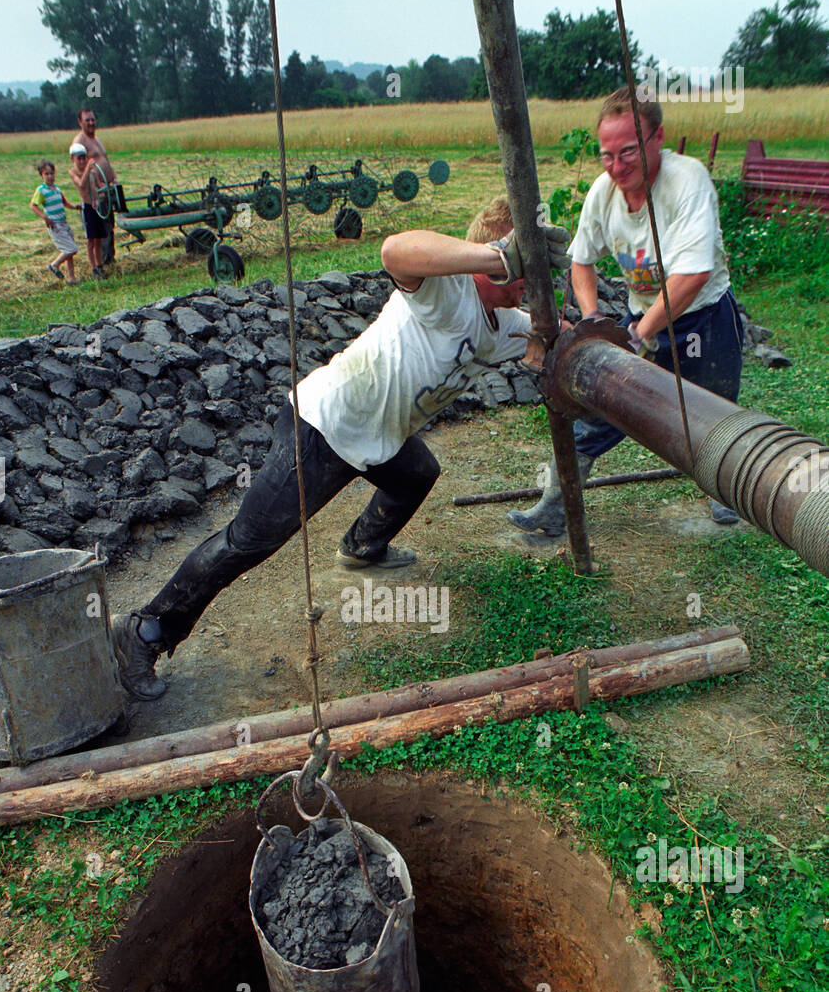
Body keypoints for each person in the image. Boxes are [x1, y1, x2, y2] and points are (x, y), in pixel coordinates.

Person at [112, 196, 569, 701]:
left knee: (417, 473)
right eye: (522, 265)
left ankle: (361, 546)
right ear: (487, 253)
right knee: (249, 541)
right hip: (324, 425)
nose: (529, 277)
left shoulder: (502, 324)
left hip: (378, 437)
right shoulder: (447, 290)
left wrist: (565, 327)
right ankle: (144, 631)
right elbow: (395, 251)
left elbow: (559, 338)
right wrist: (498, 258)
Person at [508, 86, 741, 542]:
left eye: (628, 152)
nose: (617, 166)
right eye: (607, 155)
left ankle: (723, 490)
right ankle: (555, 507)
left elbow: (693, 275)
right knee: (600, 411)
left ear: (657, 138)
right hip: (641, 319)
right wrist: (595, 321)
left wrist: (640, 334)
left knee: (715, 416)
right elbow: (581, 260)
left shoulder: (687, 181)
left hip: (704, 318)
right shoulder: (604, 192)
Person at [69, 107, 117, 276]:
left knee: (108, 226)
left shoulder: (96, 139)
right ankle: (100, 263)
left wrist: (113, 178)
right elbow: (79, 167)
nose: (91, 122)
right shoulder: (79, 141)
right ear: (80, 122)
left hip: (106, 188)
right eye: (87, 120)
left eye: (92, 119)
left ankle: (109, 258)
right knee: (96, 234)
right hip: (94, 196)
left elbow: (104, 159)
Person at [29, 158, 80, 284]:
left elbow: (64, 203)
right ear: (41, 175)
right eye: (46, 174)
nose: (50, 176)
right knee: (71, 249)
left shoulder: (57, 189)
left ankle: (71, 278)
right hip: (55, 225)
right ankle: (54, 265)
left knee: (69, 253)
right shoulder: (41, 190)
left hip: (64, 222)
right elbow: (33, 206)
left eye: (52, 173)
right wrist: (45, 217)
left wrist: (75, 207)